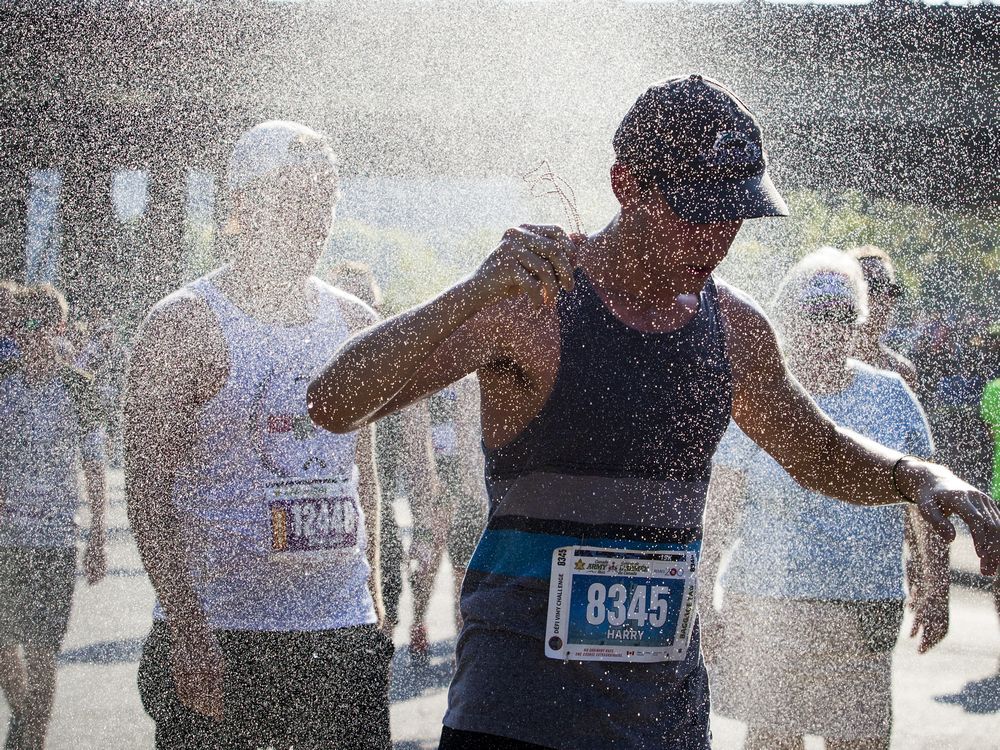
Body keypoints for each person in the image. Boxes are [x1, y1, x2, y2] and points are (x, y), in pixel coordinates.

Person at [307, 75, 1000, 749]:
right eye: (697, 209)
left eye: (736, 210)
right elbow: (332, 402)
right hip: (515, 711)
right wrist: (470, 292)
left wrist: (917, 476)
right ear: (626, 185)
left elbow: (813, 449)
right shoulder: (531, 303)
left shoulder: (734, 329)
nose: (717, 236)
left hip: (661, 717)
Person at [125, 121, 393, 750]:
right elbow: (146, 487)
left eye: (324, 202)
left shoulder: (355, 322)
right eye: (296, 199)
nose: (315, 220)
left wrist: (375, 601)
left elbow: (366, 478)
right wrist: (186, 625)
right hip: (226, 630)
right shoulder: (183, 324)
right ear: (244, 206)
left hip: (338, 628)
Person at [700, 248, 941, 750]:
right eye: (815, 315)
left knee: (858, 740)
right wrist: (704, 595)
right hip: (767, 598)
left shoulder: (891, 395)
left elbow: (924, 496)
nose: (827, 329)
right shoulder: (759, 392)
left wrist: (934, 584)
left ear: (856, 325)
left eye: (840, 317)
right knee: (773, 738)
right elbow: (719, 510)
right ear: (786, 318)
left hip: (864, 604)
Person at [0, 283, 107, 750]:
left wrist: (98, 538)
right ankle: (26, 722)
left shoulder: (80, 390)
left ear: (59, 329)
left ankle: (30, 741)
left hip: (55, 540)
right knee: (4, 651)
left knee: (43, 655)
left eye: (41, 326)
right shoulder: (1, 380)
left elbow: (96, 466)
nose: (31, 335)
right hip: (5, 538)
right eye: (22, 325)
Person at [846, 244, 950, 652]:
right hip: (798, 571)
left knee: (867, 706)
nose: (883, 297)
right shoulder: (802, 363)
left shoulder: (900, 375)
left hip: (876, 570)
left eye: (891, 289)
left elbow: (917, 477)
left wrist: (925, 568)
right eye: (871, 284)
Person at [327, 260, 438, 635]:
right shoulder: (313, 362)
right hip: (316, 522)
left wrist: (424, 531)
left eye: (364, 301)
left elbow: (418, 454)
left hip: (376, 522)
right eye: (349, 298)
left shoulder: (398, 367)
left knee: (378, 628)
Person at [409, 375, 487, 657]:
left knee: (463, 567)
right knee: (428, 559)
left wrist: (474, 482)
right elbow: (415, 433)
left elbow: (474, 426)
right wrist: (424, 489)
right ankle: (418, 622)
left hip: (466, 481)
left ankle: (461, 636)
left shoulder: (470, 377)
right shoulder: (428, 375)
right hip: (434, 481)